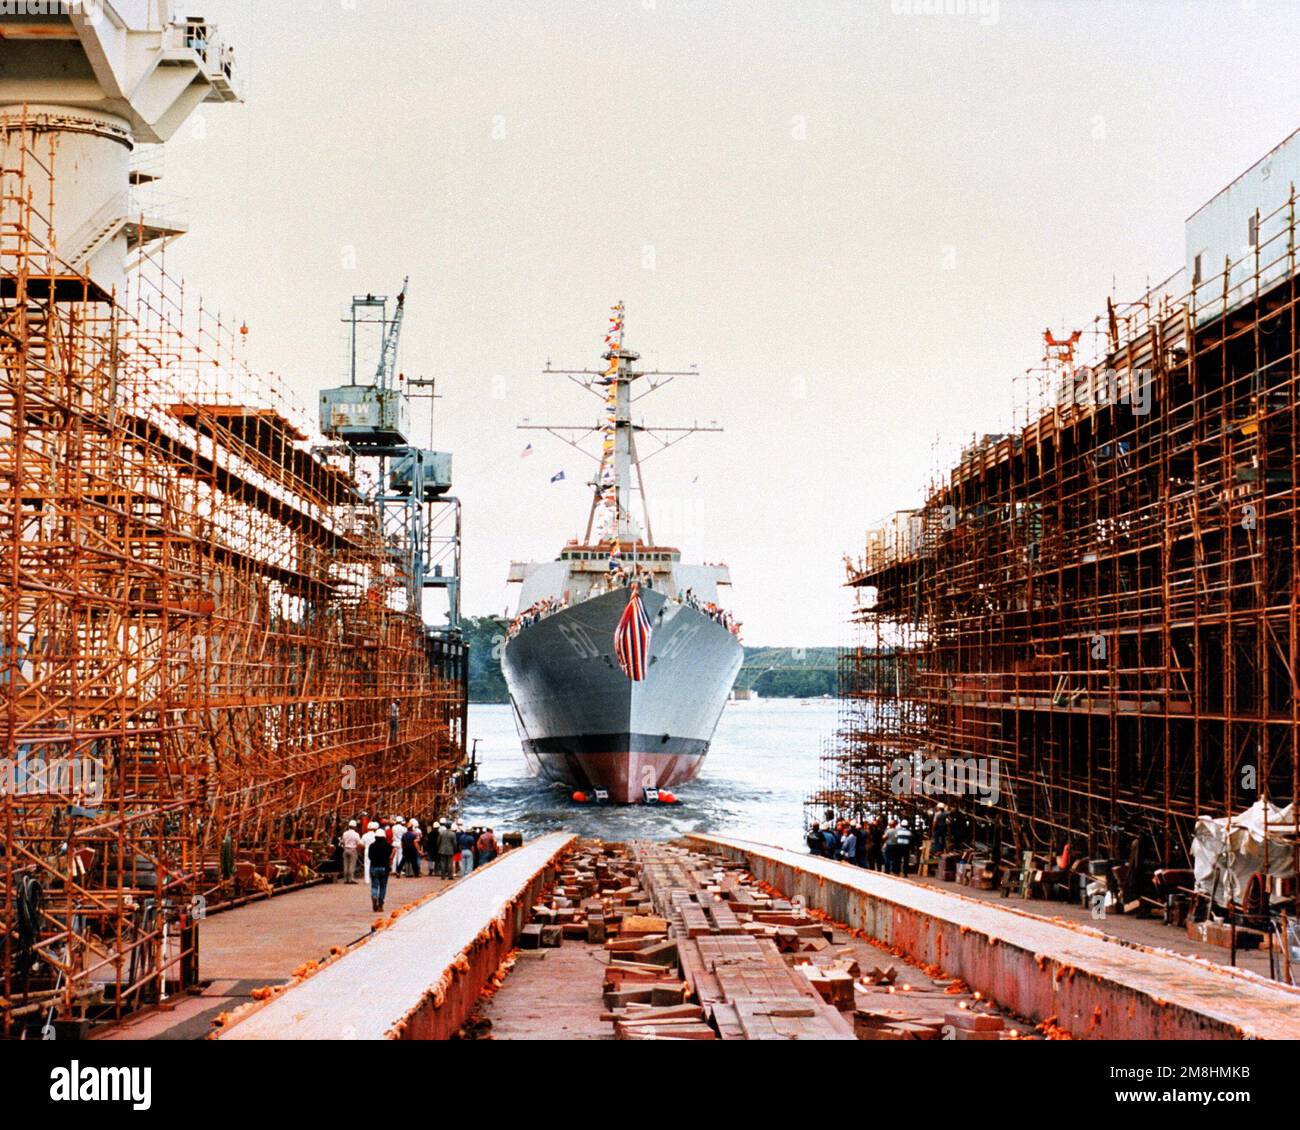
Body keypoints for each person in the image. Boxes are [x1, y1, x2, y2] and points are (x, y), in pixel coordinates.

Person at [367, 825, 393, 911]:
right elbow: (394, 850)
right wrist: (390, 860)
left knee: (374, 886)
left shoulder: (372, 846)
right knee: (383, 886)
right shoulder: (388, 846)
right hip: (384, 868)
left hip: (374, 867)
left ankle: (374, 896)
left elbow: (370, 857)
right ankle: (380, 904)